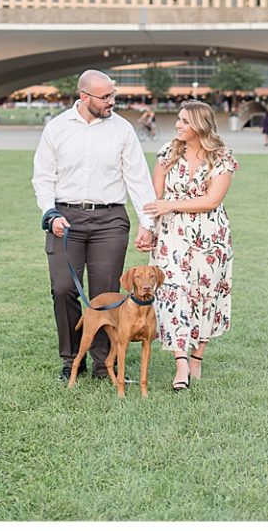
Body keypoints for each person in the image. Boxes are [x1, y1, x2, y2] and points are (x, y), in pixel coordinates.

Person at [32, 69, 157, 383]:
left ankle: (105, 365)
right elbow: (43, 177)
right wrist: (50, 213)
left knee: (107, 295)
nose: (111, 102)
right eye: (105, 97)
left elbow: (138, 178)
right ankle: (72, 359)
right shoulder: (57, 128)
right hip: (65, 219)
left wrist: (147, 223)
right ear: (84, 96)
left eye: (113, 95)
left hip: (110, 220)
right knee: (63, 289)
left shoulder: (123, 129)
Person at [140, 100, 237, 390]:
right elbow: (154, 196)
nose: (178, 125)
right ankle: (180, 364)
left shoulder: (222, 157)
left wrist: (170, 204)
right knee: (172, 292)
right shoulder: (168, 153)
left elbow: (211, 200)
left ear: (200, 125)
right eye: (178, 120)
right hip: (172, 235)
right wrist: (149, 229)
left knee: (206, 294)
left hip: (211, 236)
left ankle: (197, 359)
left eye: (184, 121)